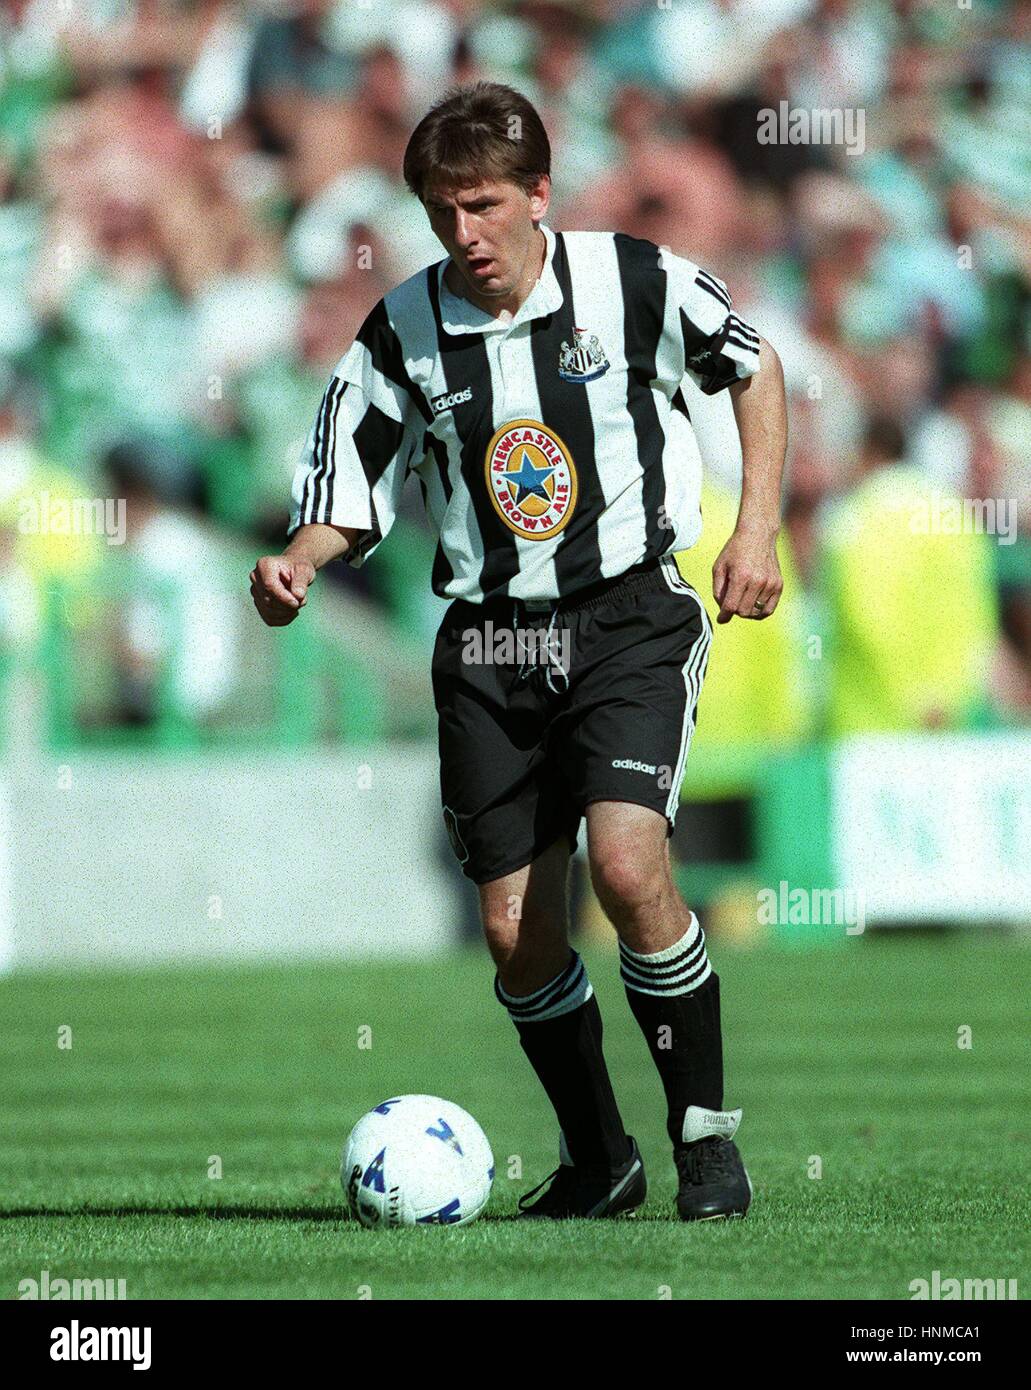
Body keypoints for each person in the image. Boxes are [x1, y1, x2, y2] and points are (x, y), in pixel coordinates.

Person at [251, 81, 787, 1221]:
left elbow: (753, 367)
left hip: (626, 617)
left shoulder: (633, 281)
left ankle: (703, 1142)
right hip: (489, 643)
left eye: (483, 206)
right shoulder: (401, 327)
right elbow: (353, 477)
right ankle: (600, 1157)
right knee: (512, 931)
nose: (463, 234)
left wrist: (754, 528)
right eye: (441, 212)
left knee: (629, 866)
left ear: (538, 193)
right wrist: (298, 557)